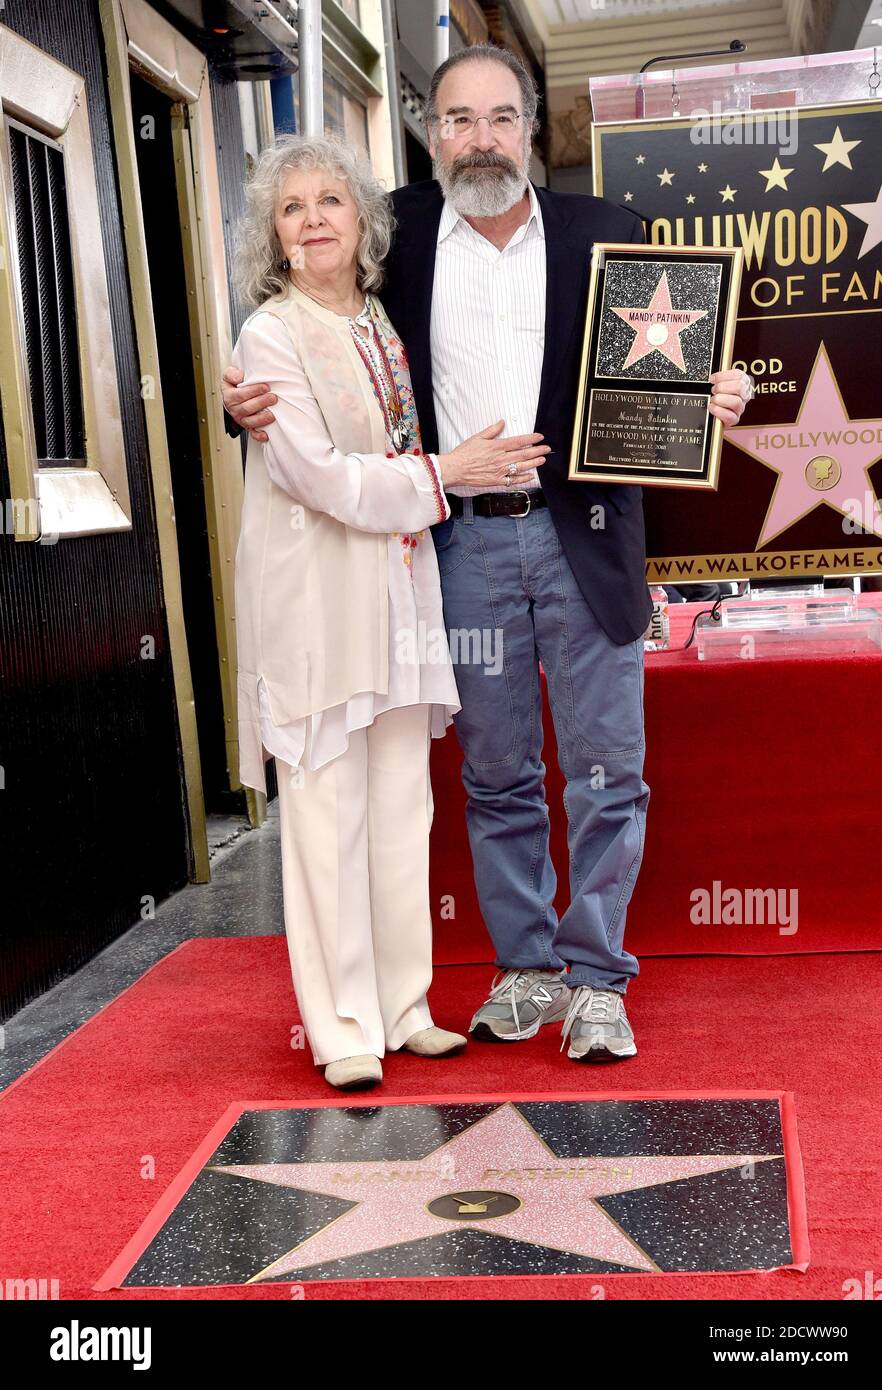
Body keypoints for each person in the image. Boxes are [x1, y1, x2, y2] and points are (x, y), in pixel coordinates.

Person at [224, 47, 753, 1066]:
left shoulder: (610, 234)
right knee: (496, 771)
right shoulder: (398, 235)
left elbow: (672, 371)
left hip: (584, 539)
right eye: (457, 119)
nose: (479, 139)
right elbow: (305, 329)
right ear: (432, 134)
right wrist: (235, 395)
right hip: (454, 547)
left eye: (499, 118)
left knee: (608, 771)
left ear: (531, 129)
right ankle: (524, 970)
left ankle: (597, 978)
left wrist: (712, 392)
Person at [230, 131, 549, 1091]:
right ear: (275, 236)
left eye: (331, 201)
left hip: (401, 597)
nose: (315, 219)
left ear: (363, 220)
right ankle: (340, 1027)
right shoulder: (269, 336)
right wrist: (446, 474)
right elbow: (319, 478)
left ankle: (406, 1004)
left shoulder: (376, 321)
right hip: (316, 599)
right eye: (294, 208)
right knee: (327, 808)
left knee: (402, 806)